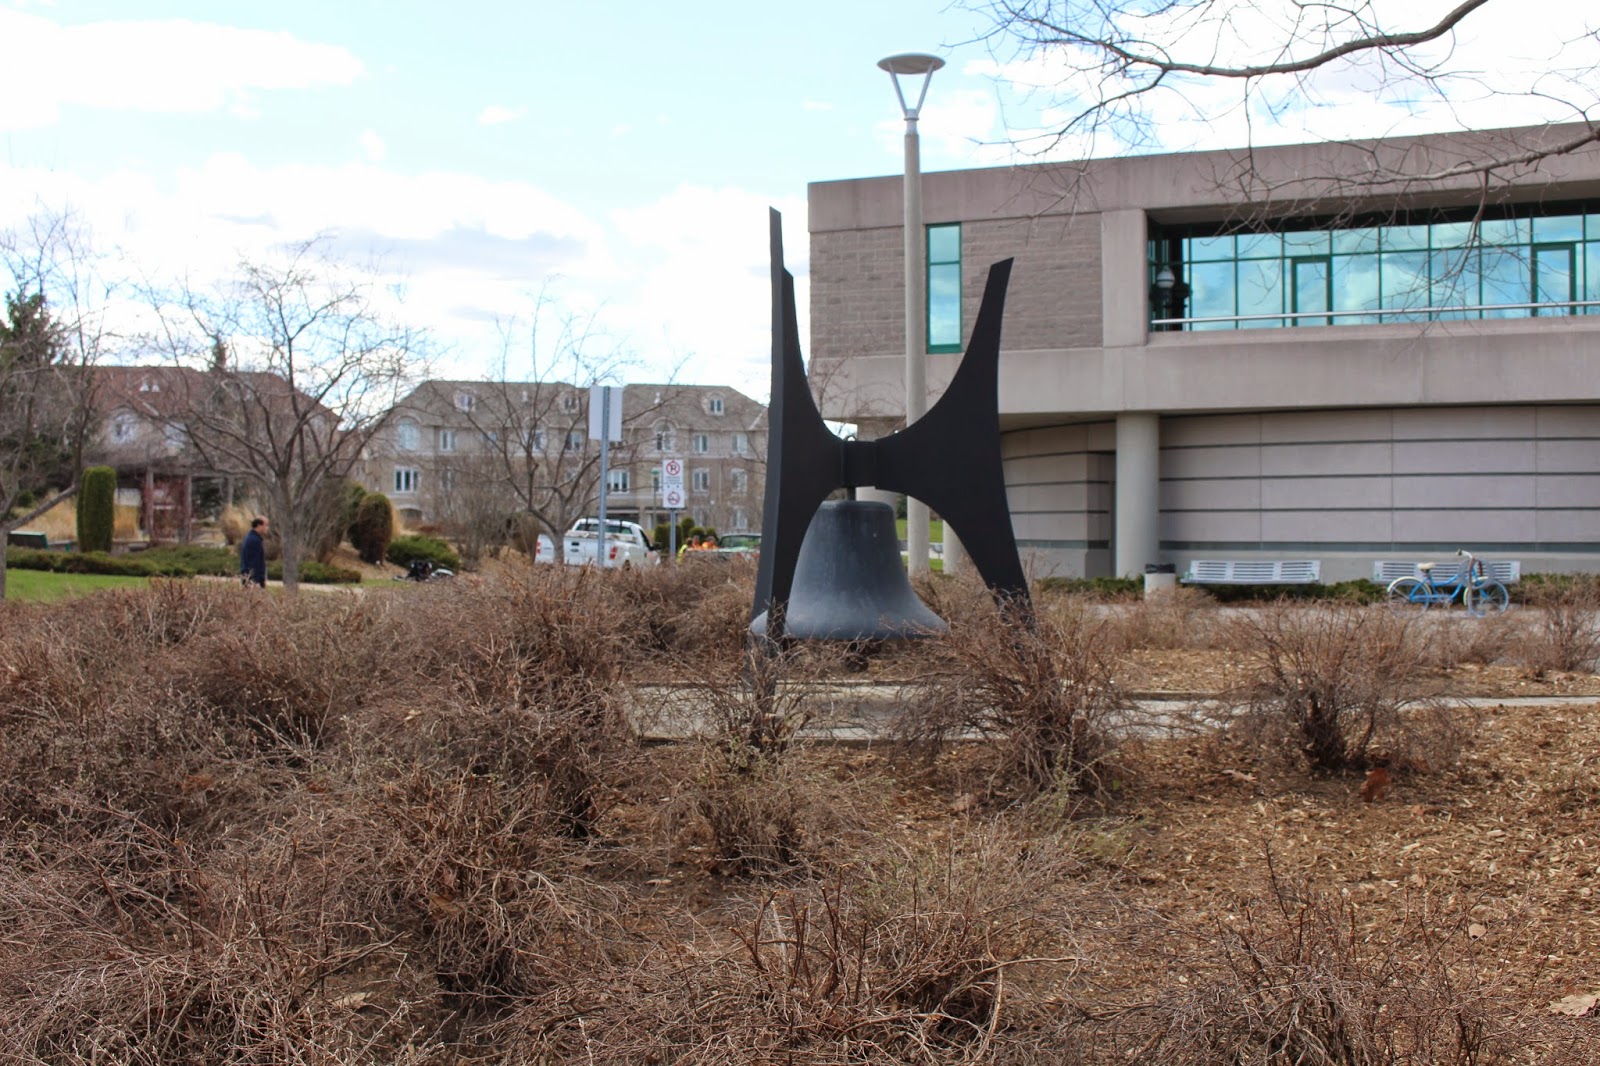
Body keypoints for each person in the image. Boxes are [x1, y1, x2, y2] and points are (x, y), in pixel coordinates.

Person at [239, 515, 268, 588]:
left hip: (248, 577)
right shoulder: (254, 541)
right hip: (253, 580)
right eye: (265, 525)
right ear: (259, 525)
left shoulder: (250, 537)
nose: (266, 528)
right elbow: (255, 563)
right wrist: (259, 580)